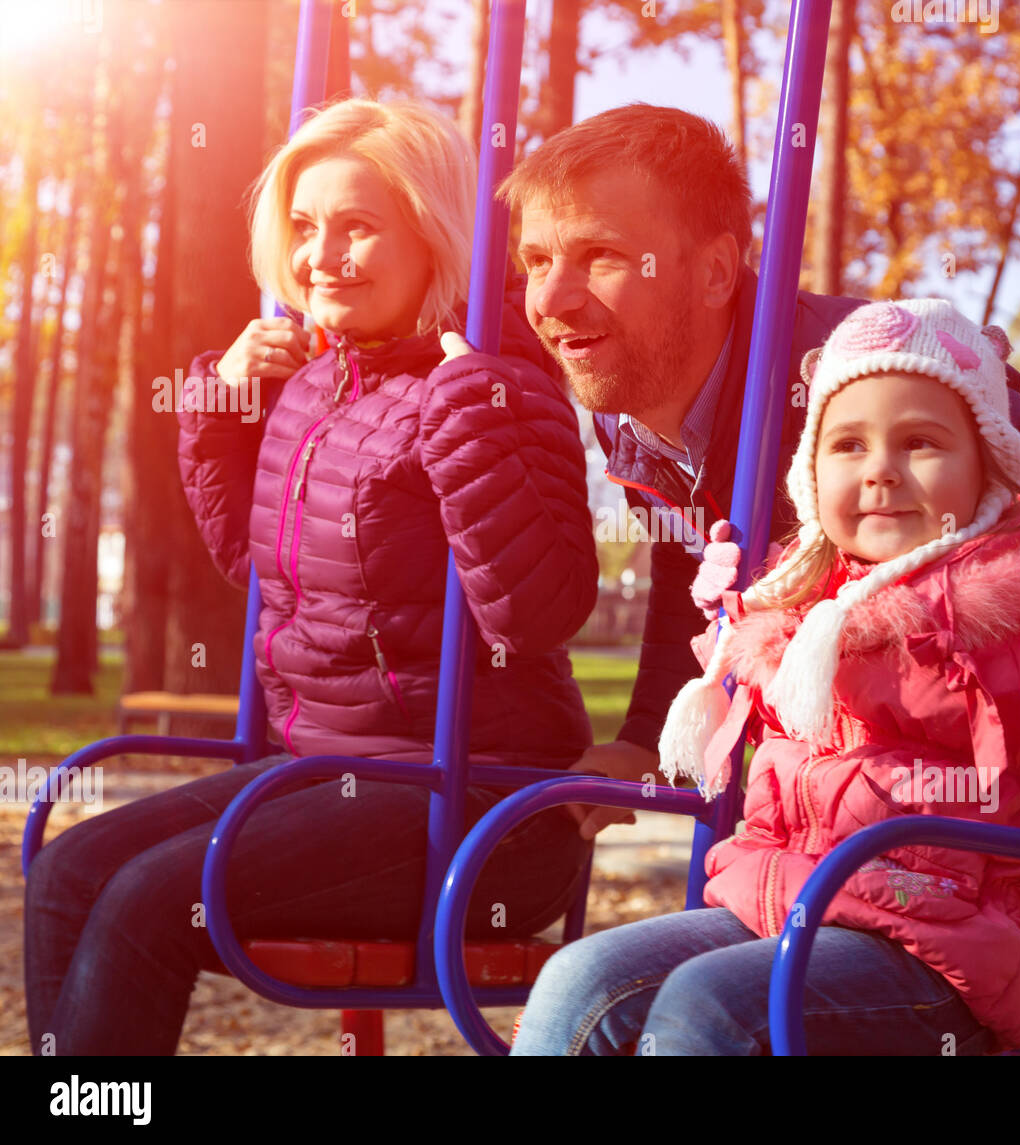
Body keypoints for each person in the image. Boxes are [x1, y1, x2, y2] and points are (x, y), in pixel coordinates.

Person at [510, 299, 1020, 1055]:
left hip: (946, 945)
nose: (881, 470)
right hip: (788, 898)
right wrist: (733, 623)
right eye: (848, 445)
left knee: (711, 1011)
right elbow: (766, 750)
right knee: (580, 979)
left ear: (986, 465)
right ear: (813, 471)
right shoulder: (803, 605)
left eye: (920, 442)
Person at [24, 97, 598, 1055]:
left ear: (434, 238)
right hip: (325, 774)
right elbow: (264, 573)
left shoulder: (499, 384)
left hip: (482, 805)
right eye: (303, 227)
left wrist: (470, 425)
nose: (322, 254)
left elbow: (538, 614)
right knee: (69, 866)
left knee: (148, 899)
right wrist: (226, 412)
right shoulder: (315, 386)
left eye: (358, 227)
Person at [493, 104, 1020, 858]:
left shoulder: (866, 372)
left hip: (1010, 762)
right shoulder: (630, 402)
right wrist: (646, 740)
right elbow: (695, 568)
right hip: (855, 770)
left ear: (713, 271)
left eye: (599, 255)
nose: (550, 300)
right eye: (537, 260)